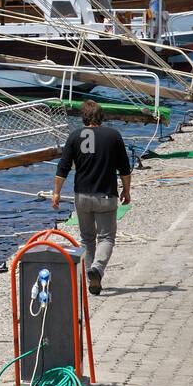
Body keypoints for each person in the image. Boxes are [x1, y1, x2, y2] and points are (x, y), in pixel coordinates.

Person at [51, 99, 131, 295]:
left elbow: (63, 168)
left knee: (87, 238)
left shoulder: (74, 136)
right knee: (106, 238)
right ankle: (97, 269)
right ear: (101, 117)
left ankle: (92, 279)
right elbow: (124, 168)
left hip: (82, 196)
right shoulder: (113, 135)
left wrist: (56, 192)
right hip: (106, 194)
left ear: (83, 117)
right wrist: (127, 190)